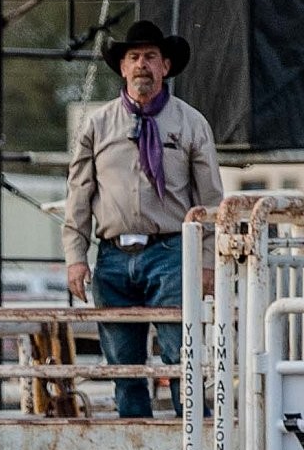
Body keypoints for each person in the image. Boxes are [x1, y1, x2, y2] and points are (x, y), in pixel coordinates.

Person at [64, 20, 222, 418]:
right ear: (122, 68)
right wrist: (75, 256)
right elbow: (79, 193)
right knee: (123, 363)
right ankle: (136, 448)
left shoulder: (189, 123)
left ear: (166, 66)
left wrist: (205, 262)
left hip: (171, 251)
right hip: (114, 256)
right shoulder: (98, 124)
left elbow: (210, 201)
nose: (141, 66)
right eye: (133, 57)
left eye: (151, 57)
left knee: (179, 355)